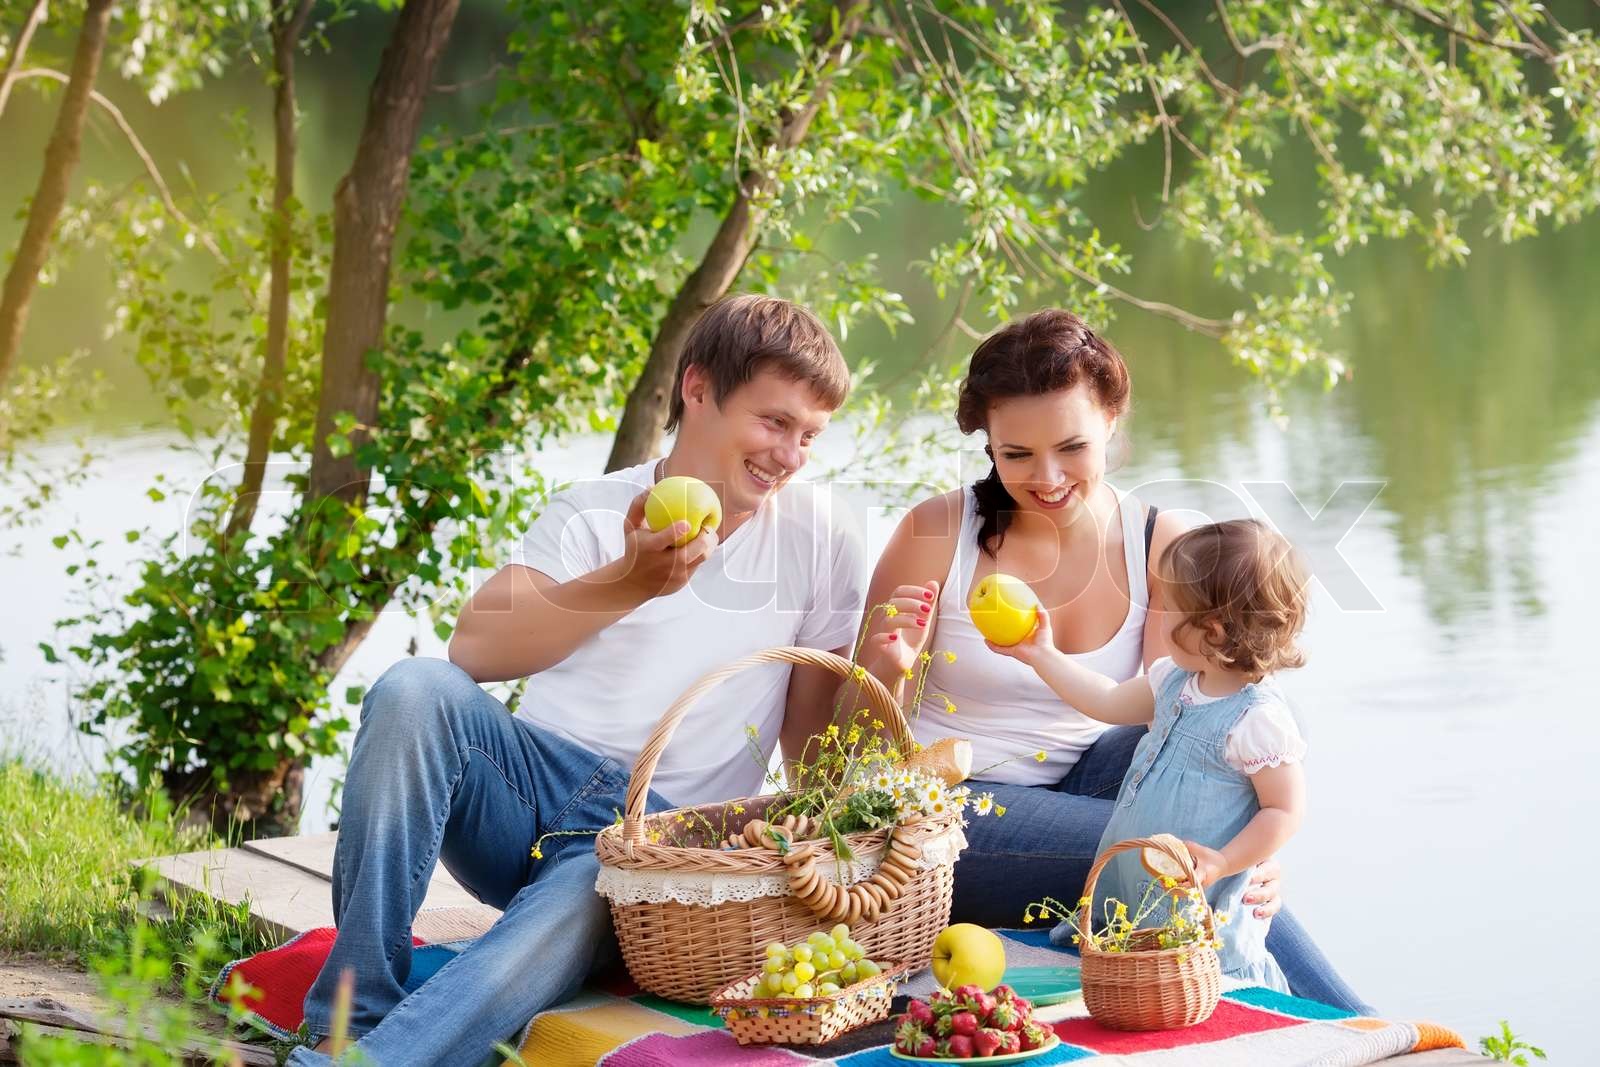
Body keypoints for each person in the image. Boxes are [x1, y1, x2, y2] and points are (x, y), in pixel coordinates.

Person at [290, 294, 868, 1065]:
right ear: (697, 388)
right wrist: (630, 580)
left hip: (658, 839)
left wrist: (817, 859)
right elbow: (474, 649)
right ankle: (353, 1009)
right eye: (773, 422)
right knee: (412, 689)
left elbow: (806, 740)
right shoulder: (591, 511)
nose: (789, 455)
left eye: (809, 435)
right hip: (525, 790)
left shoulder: (820, 533)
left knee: (587, 890)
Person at [854, 308, 1370, 1012]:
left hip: (1098, 779)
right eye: (1016, 455)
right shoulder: (938, 532)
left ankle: (1362, 1033)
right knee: (1169, 855)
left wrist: (1252, 843)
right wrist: (886, 670)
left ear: (1113, 421)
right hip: (958, 813)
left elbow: (1187, 723)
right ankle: (1362, 1031)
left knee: (1236, 733)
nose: (1048, 477)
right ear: (988, 445)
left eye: (1072, 446)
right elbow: (844, 743)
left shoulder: (1162, 540)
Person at [992, 518, 1312, 991]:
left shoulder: (1257, 720)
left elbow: (1283, 810)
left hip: (1197, 898)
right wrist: (1041, 654)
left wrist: (1224, 862)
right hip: (1134, 882)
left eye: (1171, 609)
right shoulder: (1176, 681)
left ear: (1213, 632)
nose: (1157, 617)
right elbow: (1105, 700)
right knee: (1129, 964)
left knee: (1204, 990)